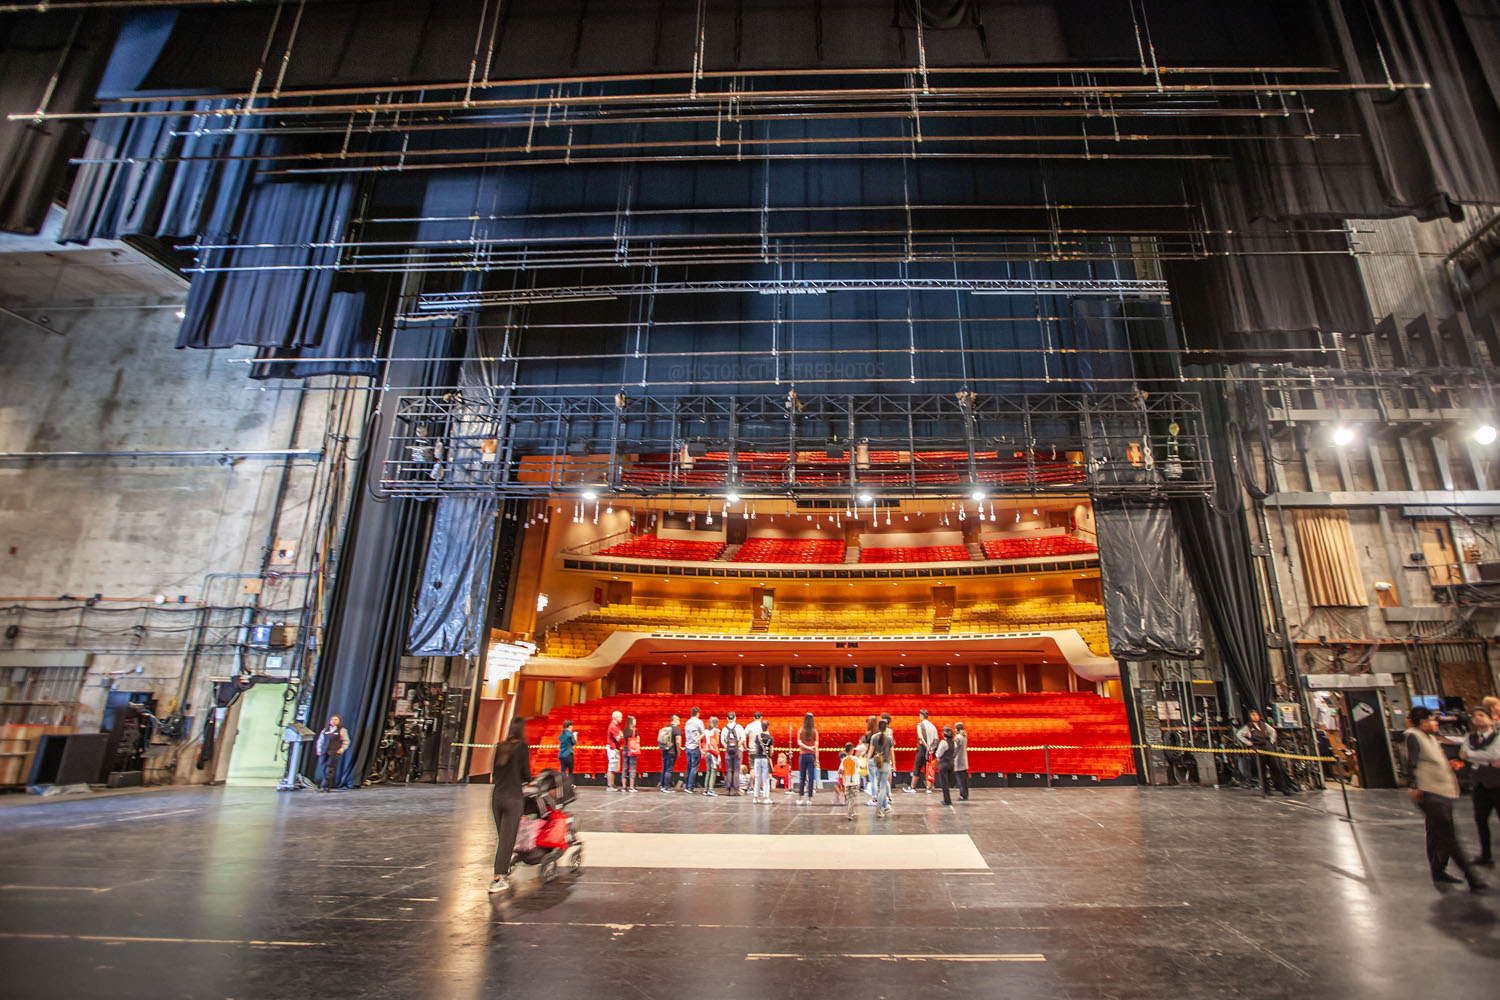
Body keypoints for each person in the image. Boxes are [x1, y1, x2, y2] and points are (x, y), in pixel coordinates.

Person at [1406, 707, 1485, 890]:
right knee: (1448, 835)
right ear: (1422, 722)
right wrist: (1414, 786)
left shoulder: (1431, 738)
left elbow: (1429, 760)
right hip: (1430, 792)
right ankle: (1472, 876)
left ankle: (1438, 871)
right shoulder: (1414, 736)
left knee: (1436, 834)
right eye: (1432, 720)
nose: (1435, 723)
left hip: (1442, 791)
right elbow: (1412, 763)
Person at [489, 717, 532, 894]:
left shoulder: (500, 746)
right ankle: (498, 878)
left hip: (497, 797)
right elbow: (526, 774)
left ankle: (503, 868)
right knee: (507, 840)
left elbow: (494, 772)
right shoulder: (522, 748)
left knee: (503, 839)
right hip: (513, 798)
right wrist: (529, 780)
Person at [1461, 707, 1500, 866]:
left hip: (1497, 785)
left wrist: (1471, 755)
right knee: (1480, 820)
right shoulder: (1469, 737)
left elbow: (1494, 755)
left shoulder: (1497, 737)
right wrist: (1486, 759)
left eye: (1482, 715)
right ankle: (1486, 856)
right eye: (1475, 715)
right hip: (1479, 786)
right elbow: (1462, 753)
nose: (1478, 718)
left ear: (1491, 720)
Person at [1235, 710, 1295, 796]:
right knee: (1262, 769)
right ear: (1250, 716)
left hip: (1267, 746)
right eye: (1253, 715)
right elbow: (1239, 734)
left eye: (1256, 715)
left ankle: (1283, 787)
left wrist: (1271, 741)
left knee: (1275, 767)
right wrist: (1248, 743)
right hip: (1257, 747)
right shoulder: (1248, 727)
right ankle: (1266, 790)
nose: (1255, 716)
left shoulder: (1264, 725)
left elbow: (1273, 731)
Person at [869, 714, 895, 817]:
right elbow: (892, 753)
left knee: (881, 786)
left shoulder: (874, 737)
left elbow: (871, 751)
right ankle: (879, 809)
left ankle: (886, 806)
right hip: (886, 764)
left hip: (877, 764)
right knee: (883, 788)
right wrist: (894, 765)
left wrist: (866, 761)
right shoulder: (889, 738)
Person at [314, 714, 349, 792]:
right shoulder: (325, 730)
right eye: (332, 719)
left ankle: (325, 786)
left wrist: (341, 749)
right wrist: (318, 750)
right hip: (324, 752)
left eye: (335, 719)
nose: (333, 721)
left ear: (339, 721)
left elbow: (346, 741)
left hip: (334, 752)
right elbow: (320, 741)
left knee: (330, 769)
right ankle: (323, 785)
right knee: (323, 768)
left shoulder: (342, 730)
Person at [907, 709, 938, 793]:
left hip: (922, 749)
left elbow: (920, 737)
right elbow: (936, 739)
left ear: (921, 716)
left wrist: (926, 746)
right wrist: (932, 748)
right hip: (931, 750)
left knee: (917, 767)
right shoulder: (933, 726)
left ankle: (912, 787)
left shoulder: (920, 725)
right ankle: (929, 788)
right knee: (928, 768)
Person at [795, 713, 819, 805]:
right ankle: (809, 799)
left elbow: (799, 743)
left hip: (803, 755)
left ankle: (800, 798)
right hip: (811, 756)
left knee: (802, 777)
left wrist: (806, 748)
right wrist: (816, 757)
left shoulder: (801, 730)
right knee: (811, 778)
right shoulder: (814, 731)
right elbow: (816, 745)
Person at [721, 711, 745, 796]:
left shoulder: (724, 728)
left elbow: (722, 741)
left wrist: (728, 748)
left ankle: (728, 789)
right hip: (738, 751)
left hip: (728, 752)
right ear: (735, 718)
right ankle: (736, 790)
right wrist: (736, 747)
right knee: (736, 770)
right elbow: (742, 739)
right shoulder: (739, 727)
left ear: (727, 719)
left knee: (729, 770)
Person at [658, 714, 682, 792]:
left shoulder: (667, 727)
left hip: (665, 750)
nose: (679, 721)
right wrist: (678, 751)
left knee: (664, 768)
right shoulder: (676, 729)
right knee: (669, 770)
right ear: (675, 720)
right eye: (678, 719)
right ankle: (666, 787)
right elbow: (678, 742)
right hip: (672, 752)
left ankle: (662, 785)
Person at [683, 707, 705, 794]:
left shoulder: (687, 722)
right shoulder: (699, 722)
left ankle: (687, 785)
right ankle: (690, 787)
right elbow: (703, 732)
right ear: (698, 713)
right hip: (695, 746)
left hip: (687, 746)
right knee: (694, 767)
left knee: (689, 766)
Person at [750, 724, 774, 802]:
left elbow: (756, 748)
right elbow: (771, 750)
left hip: (757, 758)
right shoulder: (770, 738)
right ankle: (766, 798)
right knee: (766, 779)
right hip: (765, 759)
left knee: (757, 778)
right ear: (768, 727)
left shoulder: (758, 737)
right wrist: (769, 756)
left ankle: (755, 797)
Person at [934, 725, 957, 806]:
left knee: (944, 783)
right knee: (947, 782)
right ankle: (947, 799)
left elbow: (938, 754)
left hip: (944, 764)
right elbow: (954, 753)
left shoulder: (943, 742)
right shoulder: (954, 743)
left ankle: (947, 800)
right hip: (951, 763)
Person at [838, 742, 860, 821]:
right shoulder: (855, 759)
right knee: (852, 797)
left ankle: (852, 810)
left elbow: (840, 770)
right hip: (854, 781)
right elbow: (859, 765)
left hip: (847, 782)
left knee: (849, 797)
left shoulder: (843, 760)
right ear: (852, 751)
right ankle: (850, 813)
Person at [703, 715, 722, 796]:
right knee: (713, 770)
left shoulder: (706, 731)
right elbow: (717, 742)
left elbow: (699, 738)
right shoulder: (716, 731)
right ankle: (711, 790)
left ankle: (706, 789)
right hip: (713, 752)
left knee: (708, 771)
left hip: (707, 751)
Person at [605, 710, 624, 791]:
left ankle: (612, 784)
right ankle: (610, 785)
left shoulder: (617, 726)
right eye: (621, 717)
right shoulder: (613, 726)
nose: (622, 719)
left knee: (614, 767)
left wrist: (621, 734)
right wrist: (620, 735)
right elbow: (618, 738)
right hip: (612, 748)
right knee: (611, 767)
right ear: (616, 717)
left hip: (615, 748)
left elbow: (621, 735)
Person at [622, 715, 641, 792]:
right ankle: (631, 787)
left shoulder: (624, 730)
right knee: (632, 768)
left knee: (625, 768)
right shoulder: (634, 730)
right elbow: (638, 740)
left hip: (625, 748)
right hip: (632, 750)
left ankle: (624, 787)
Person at [953, 721, 970, 802]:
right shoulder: (964, 737)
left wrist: (952, 756)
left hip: (959, 760)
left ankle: (962, 794)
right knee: (964, 779)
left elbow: (955, 749)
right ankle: (965, 794)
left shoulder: (957, 737)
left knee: (960, 779)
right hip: (964, 760)